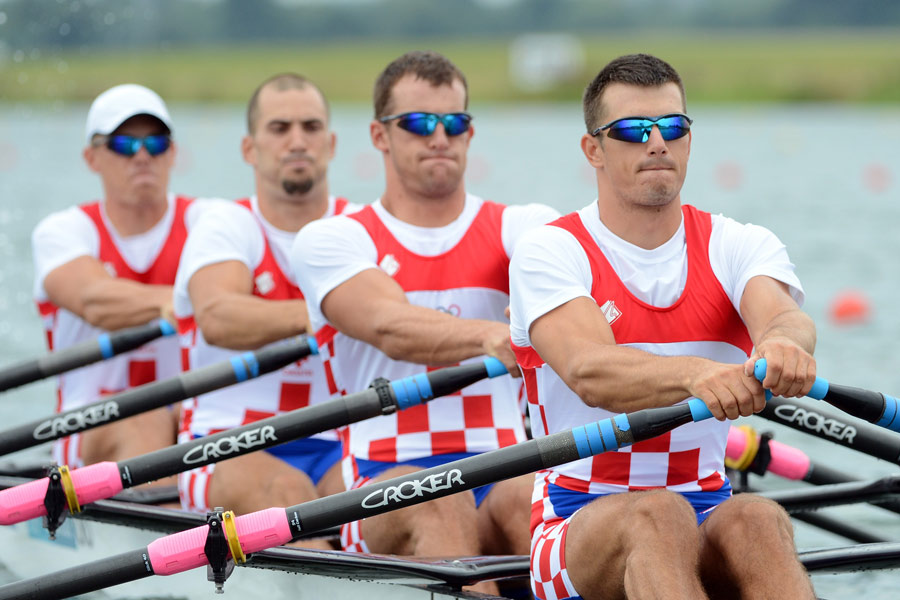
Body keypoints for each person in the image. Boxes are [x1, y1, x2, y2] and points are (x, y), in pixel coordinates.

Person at [509, 53, 817, 600]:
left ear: (689, 141)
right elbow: (590, 371)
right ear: (593, 150)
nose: (657, 143)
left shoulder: (738, 244)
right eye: (632, 130)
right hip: (574, 517)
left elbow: (783, 317)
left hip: (708, 503)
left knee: (759, 518)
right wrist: (697, 375)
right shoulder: (550, 251)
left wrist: (785, 346)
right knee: (657, 514)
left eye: (672, 127)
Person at [292, 50, 559, 575]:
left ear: (469, 133)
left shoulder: (525, 226)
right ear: (379, 135)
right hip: (377, 480)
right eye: (418, 123)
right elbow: (389, 326)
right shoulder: (335, 239)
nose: (439, 137)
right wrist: (489, 336)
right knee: (440, 501)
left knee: (542, 497)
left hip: (503, 466)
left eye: (454, 123)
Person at [173, 74, 354, 538]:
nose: (297, 141)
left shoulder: (359, 226)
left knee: (400, 505)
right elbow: (219, 317)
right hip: (224, 444)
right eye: (279, 128)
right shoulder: (226, 225)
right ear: (249, 149)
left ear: (331, 143)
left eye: (311, 127)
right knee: (287, 493)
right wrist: (338, 311)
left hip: (337, 442)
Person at [32, 84, 211, 482]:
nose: (143, 156)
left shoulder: (209, 221)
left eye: (156, 143)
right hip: (90, 426)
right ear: (91, 158)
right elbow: (95, 301)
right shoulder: (64, 231)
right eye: (124, 144)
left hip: (189, 419)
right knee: (146, 418)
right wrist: (181, 301)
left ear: (173, 153)